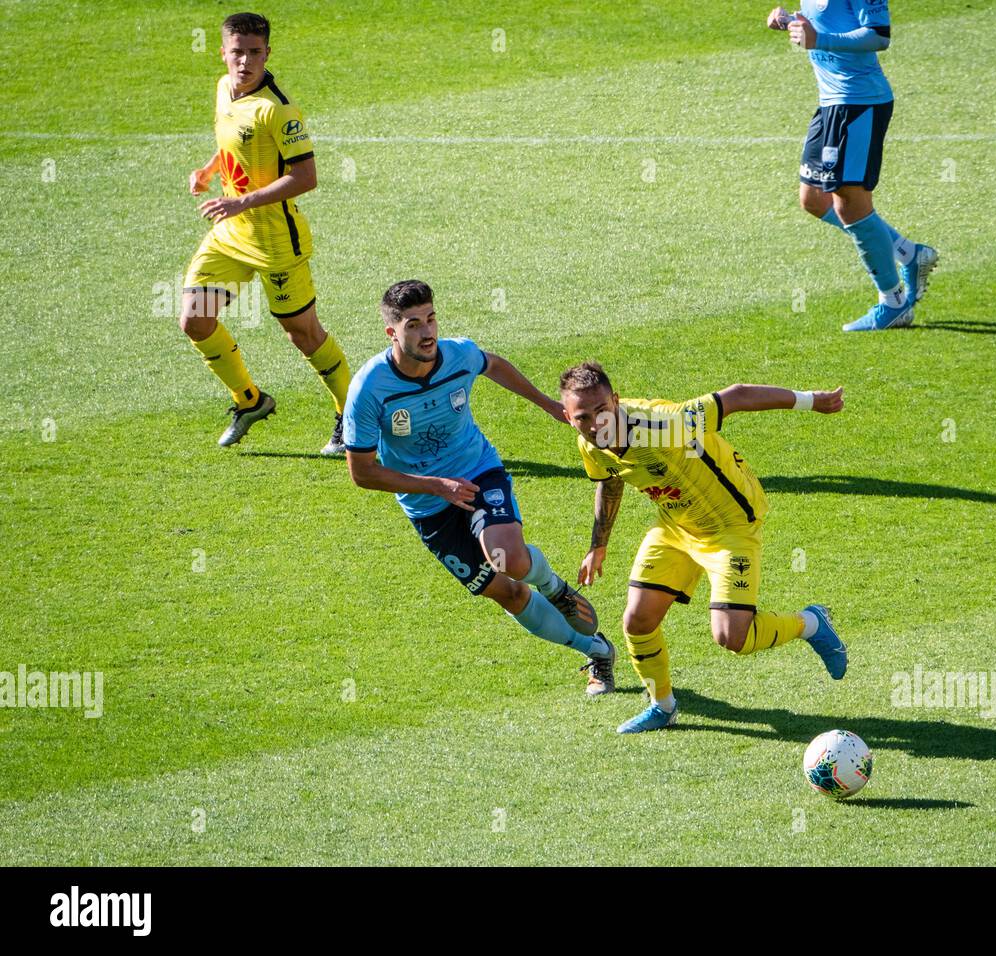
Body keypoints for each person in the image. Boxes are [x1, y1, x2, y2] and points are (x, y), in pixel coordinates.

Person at [343, 281, 616, 695]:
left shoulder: (457, 354)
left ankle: (554, 587)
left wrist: (547, 404)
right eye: (413, 324)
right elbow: (362, 472)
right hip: (426, 503)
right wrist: (436, 486)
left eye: (431, 318)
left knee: (508, 558)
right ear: (392, 333)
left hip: (476, 470)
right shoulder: (369, 390)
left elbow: (492, 365)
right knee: (505, 593)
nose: (427, 332)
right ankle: (596, 650)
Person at [560, 361, 848, 734]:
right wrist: (598, 545)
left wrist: (812, 401)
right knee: (637, 620)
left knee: (732, 637)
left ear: (615, 400)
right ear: (569, 418)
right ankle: (662, 706)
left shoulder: (664, 425)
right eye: (584, 416)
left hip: (731, 525)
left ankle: (811, 623)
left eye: (603, 410)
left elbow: (738, 394)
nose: (598, 423)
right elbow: (609, 479)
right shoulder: (589, 444)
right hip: (677, 525)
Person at [181, 12, 350, 451]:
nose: (245, 61)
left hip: (276, 240)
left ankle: (349, 415)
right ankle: (249, 401)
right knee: (194, 319)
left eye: (255, 52)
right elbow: (232, 142)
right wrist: (209, 170)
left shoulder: (279, 110)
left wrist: (240, 200)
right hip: (231, 232)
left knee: (303, 334)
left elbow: (306, 176)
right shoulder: (224, 88)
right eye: (237, 51)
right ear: (223, 52)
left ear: (267, 54)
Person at [768, 2, 939, 331]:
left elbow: (879, 36)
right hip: (830, 103)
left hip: (859, 104)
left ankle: (893, 303)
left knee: (850, 207)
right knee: (814, 199)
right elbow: (821, 23)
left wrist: (820, 39)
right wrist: (788, 19)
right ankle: (909, 253)